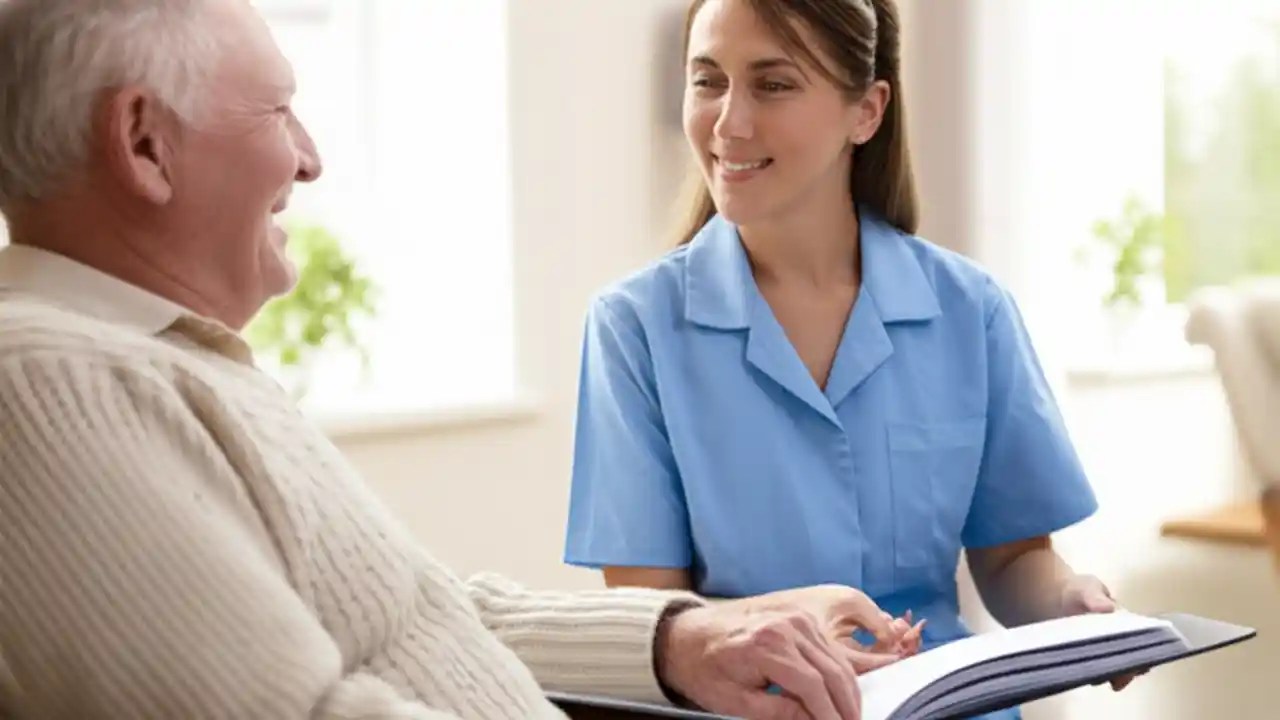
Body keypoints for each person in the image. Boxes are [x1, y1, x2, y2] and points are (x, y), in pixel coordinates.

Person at [0, 1, 918, 718]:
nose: (309, 160)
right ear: (144, 144)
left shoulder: (158, 364)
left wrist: (688, 640)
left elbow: (433, 615)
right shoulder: (54, 383)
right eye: (277, 110)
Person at [563, 1, 1135, 717]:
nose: (730, 122)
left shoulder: (970, 310)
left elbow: (1014, 559)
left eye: (773, 85)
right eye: (708, 81)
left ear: (865, 112)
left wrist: (1067, 601)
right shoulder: (634, 329)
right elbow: (654, 618)